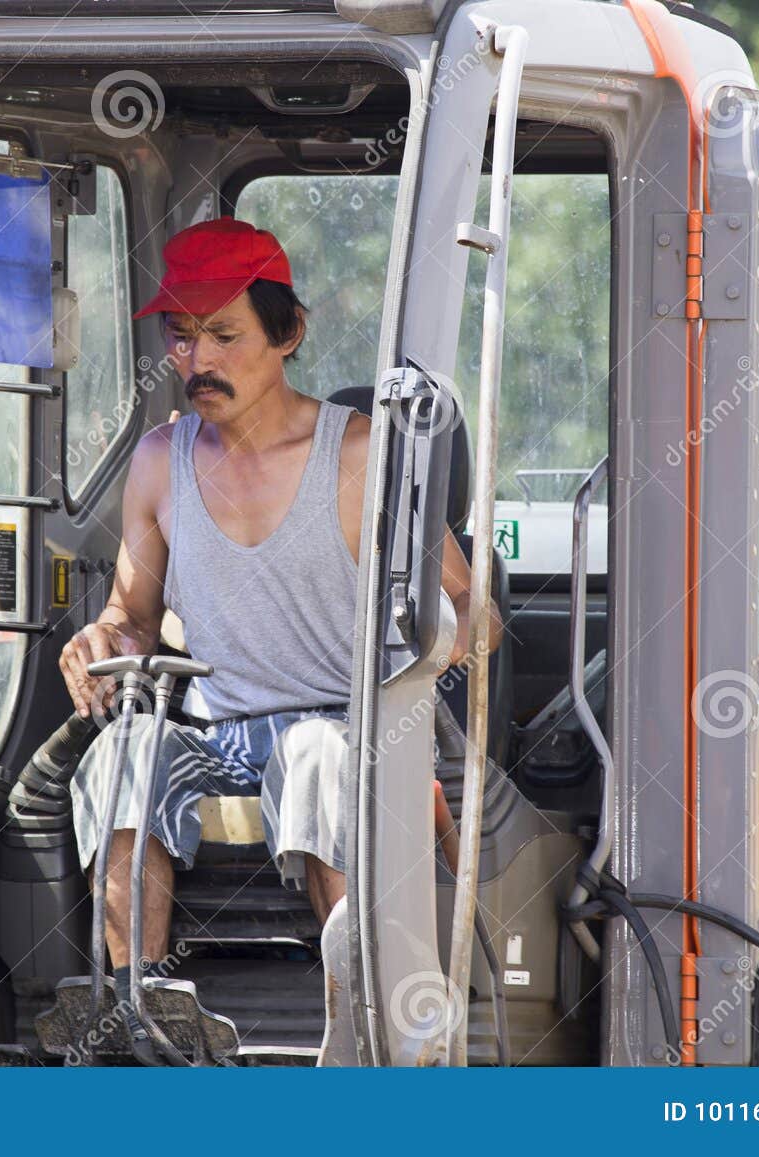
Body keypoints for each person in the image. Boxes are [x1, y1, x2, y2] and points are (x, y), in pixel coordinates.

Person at [58, 216, 497, 1043]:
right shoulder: (158, 462)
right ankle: (141, 1012)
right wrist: (100, 642)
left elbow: (474, 608)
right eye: (182, 337)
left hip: (354, 726)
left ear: (287, 331)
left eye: (224, 334)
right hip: (222, 730)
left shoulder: (360, 454)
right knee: (120, 755)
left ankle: (368, 1022)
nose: (199, 361)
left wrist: (442, 643)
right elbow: (133, 620)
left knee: (319, 756)